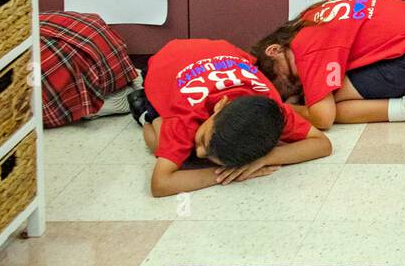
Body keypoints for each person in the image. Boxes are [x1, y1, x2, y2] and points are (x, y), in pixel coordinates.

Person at [129, 38, 330, 198]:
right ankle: (145, 113)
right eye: (203, 141)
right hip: (167, 61)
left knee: (184, 155)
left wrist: (266, 159)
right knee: (159, 144)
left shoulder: (270, 112)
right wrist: (225, 175)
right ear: (220, 106)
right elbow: (160, 184)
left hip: (222, 53)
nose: (200, 153)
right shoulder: (186, 116)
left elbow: (322, 144)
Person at [254, 0, 405, 129]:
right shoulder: (310, 18)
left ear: (274, 50)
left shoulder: (306, 47)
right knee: (317, 98)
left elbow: (322, 118)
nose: (295, 85)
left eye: (287, 79)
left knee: (324, 106)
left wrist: (280, 107)